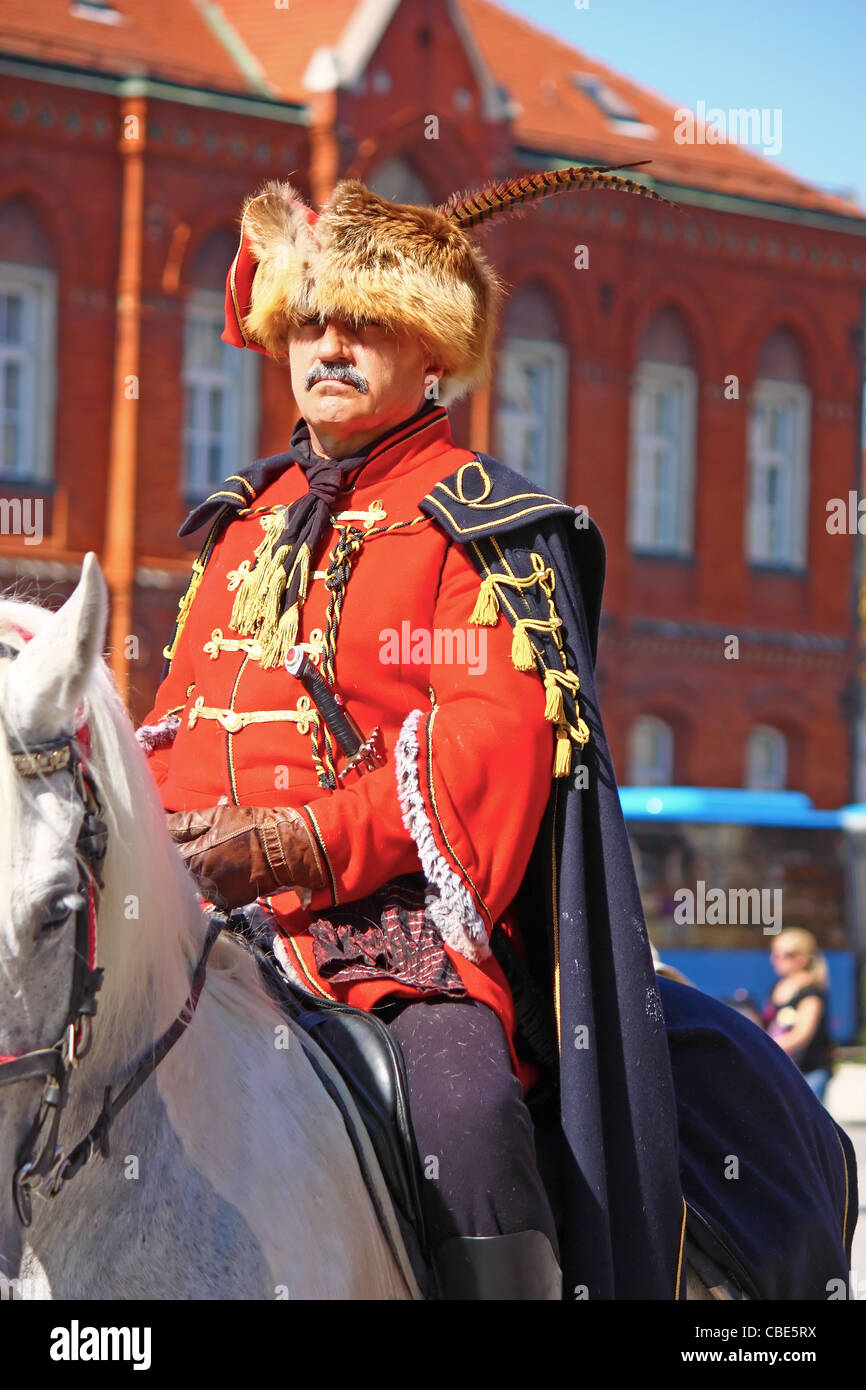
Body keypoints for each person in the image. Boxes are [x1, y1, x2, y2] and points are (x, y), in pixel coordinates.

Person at [136, 165, 691, 1300]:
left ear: (430, 352)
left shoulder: (477, 517)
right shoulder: (245, 523)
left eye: (367, 326)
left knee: (468, 1114)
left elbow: (485, 751)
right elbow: (171, 725)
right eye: (310, 323)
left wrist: (295, 841)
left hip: (382, 934)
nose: (328, 348)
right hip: (196, 915)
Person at [764, 927, 834, 1102]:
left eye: (782, 955)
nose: (774, 960)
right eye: (774, 954)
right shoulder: (777, 986)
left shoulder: (811, 992)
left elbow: (802, 1034)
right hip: (782, 1070)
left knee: (809, 1126)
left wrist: (766, 1047)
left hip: (808, 1072)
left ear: (801, 959)